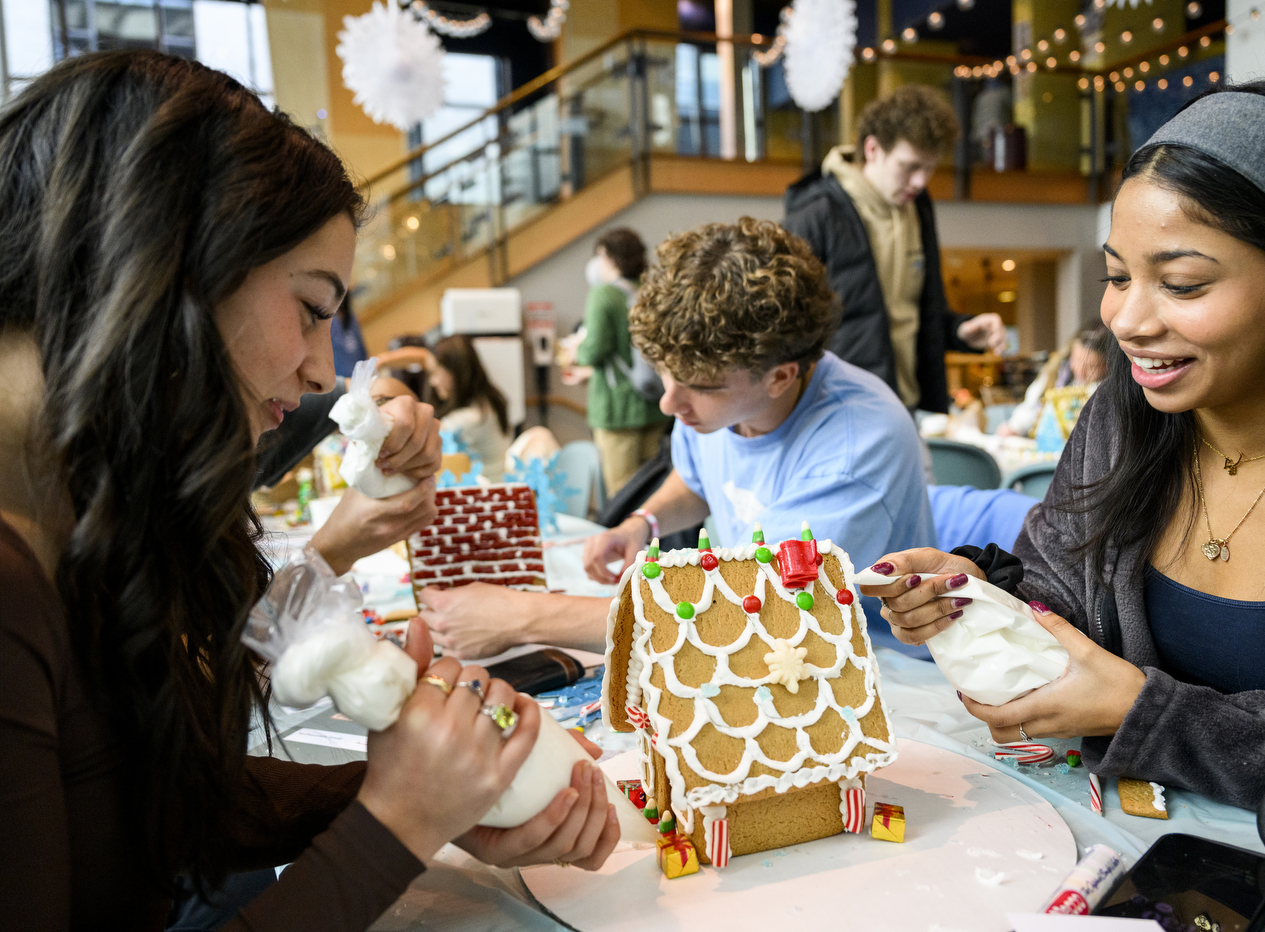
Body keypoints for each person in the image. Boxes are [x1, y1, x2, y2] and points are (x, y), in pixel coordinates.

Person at [0, 51, 616, 931]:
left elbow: (146, 806)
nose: (319, 370)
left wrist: (433, 794)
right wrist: (392, 825)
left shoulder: (73, 509)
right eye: (311, 306)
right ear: (168, 262)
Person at [863, 78, 1265, 810]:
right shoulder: (1125, 419)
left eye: (1181, 284)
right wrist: (981, 604)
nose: (1126, 319)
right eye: (1116, 276)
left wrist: (1147, 714)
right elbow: (1061, 599)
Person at [418, 218, 935, 659]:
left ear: (781, 376)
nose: (669, 403)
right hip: (756, 649)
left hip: (872, 679)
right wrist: (645, 522)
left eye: (699, 387)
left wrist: (523, 616)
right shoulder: (720, 402)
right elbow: (699, 480)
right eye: (666, 374)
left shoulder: (856, 449)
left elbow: (748, 619)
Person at [784, 83, 1008, 415]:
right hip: (840, 413)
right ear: (872, 149)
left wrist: (960, 331)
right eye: (910, 166)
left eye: (929, 168)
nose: (920, 182)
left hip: (909, 410)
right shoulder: (815, 214)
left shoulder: (918, 207)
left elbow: (911, 315)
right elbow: (788, 330)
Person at [570, 228, 670, 497]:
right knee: (654, 489)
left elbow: (594, 350)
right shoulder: (650, 290)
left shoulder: (604, 294)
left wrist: (575, 354)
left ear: (608, 256)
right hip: (653, 402)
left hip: (617, 408)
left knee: (623, 493)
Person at [998, 322, 1113, 437]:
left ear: (1108, 366)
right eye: (1077, 360)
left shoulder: (1109, 391)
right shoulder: (1055, 372)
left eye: (1091, 367)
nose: (1080, 371)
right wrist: (1014, 427)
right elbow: (1031, 406)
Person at [427, 334, 511, 482]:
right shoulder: (491, 405)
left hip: (483, 495)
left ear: (454, 372)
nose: (432, 382)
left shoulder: (464, 421)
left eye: (435, 372)